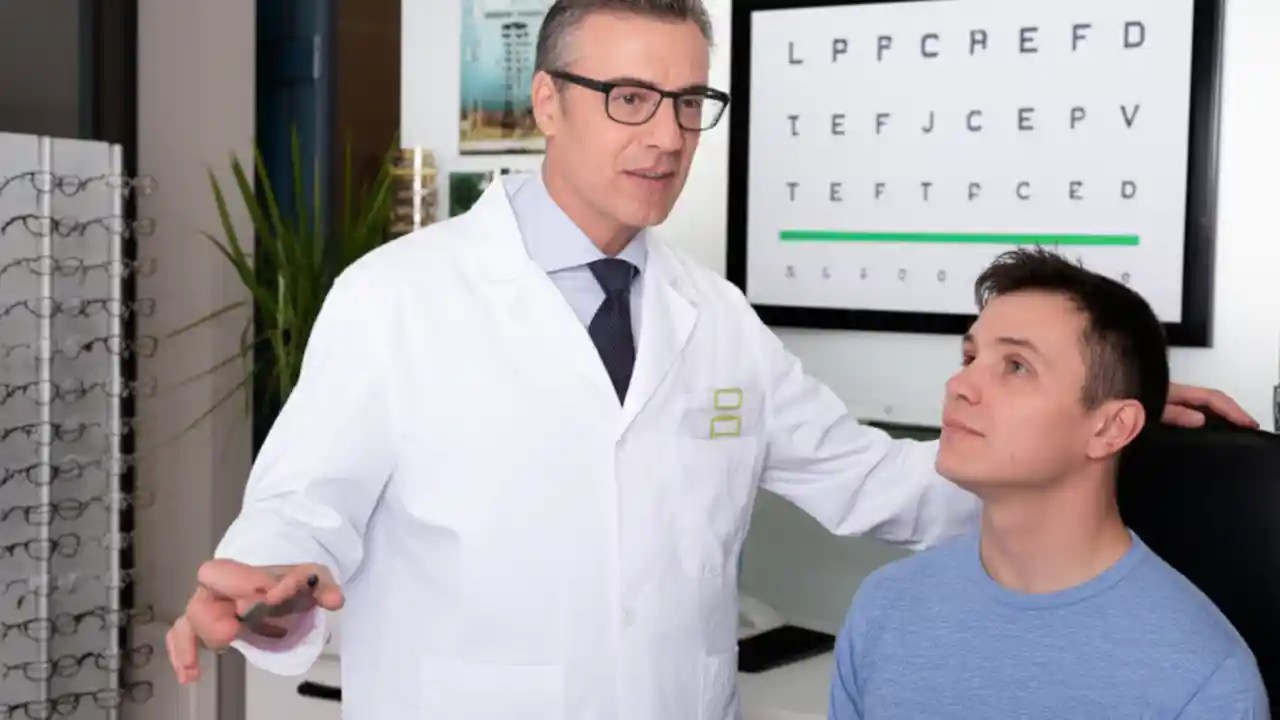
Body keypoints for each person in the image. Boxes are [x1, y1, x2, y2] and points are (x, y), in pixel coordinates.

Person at [165, 1, 1257, 717]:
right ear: (546, 101)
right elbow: (299, 516)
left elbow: (868, 480)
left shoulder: (713, 317)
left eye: (690, 103)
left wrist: (1088, 431)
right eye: (628, 98)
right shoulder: (397, 299)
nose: (665, 136)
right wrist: (270, 590)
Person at [828, 248, 1270, 719]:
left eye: (1017, 366)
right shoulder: (883, 610)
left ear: (1110, 428)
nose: (959, 385)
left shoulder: (1204, 680)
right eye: (970, 357)